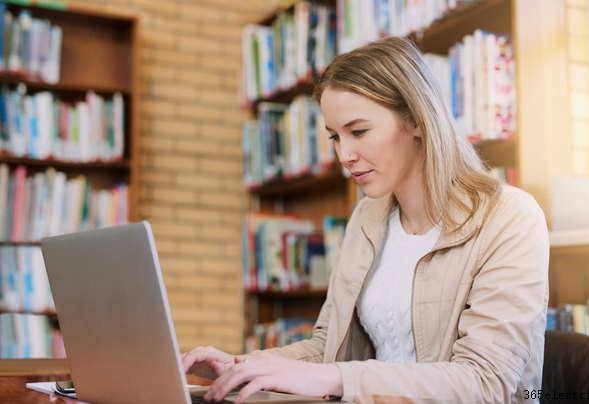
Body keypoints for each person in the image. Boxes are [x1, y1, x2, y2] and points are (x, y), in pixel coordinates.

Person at [182, 36, 549, 403]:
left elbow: (485, 382)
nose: (345, 154)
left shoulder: (509, 218)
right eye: (334, 137)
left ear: (417, 120)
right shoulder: (367, 218)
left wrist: (338, 379)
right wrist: (242, 366)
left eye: (358, 132)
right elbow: (330, 348)